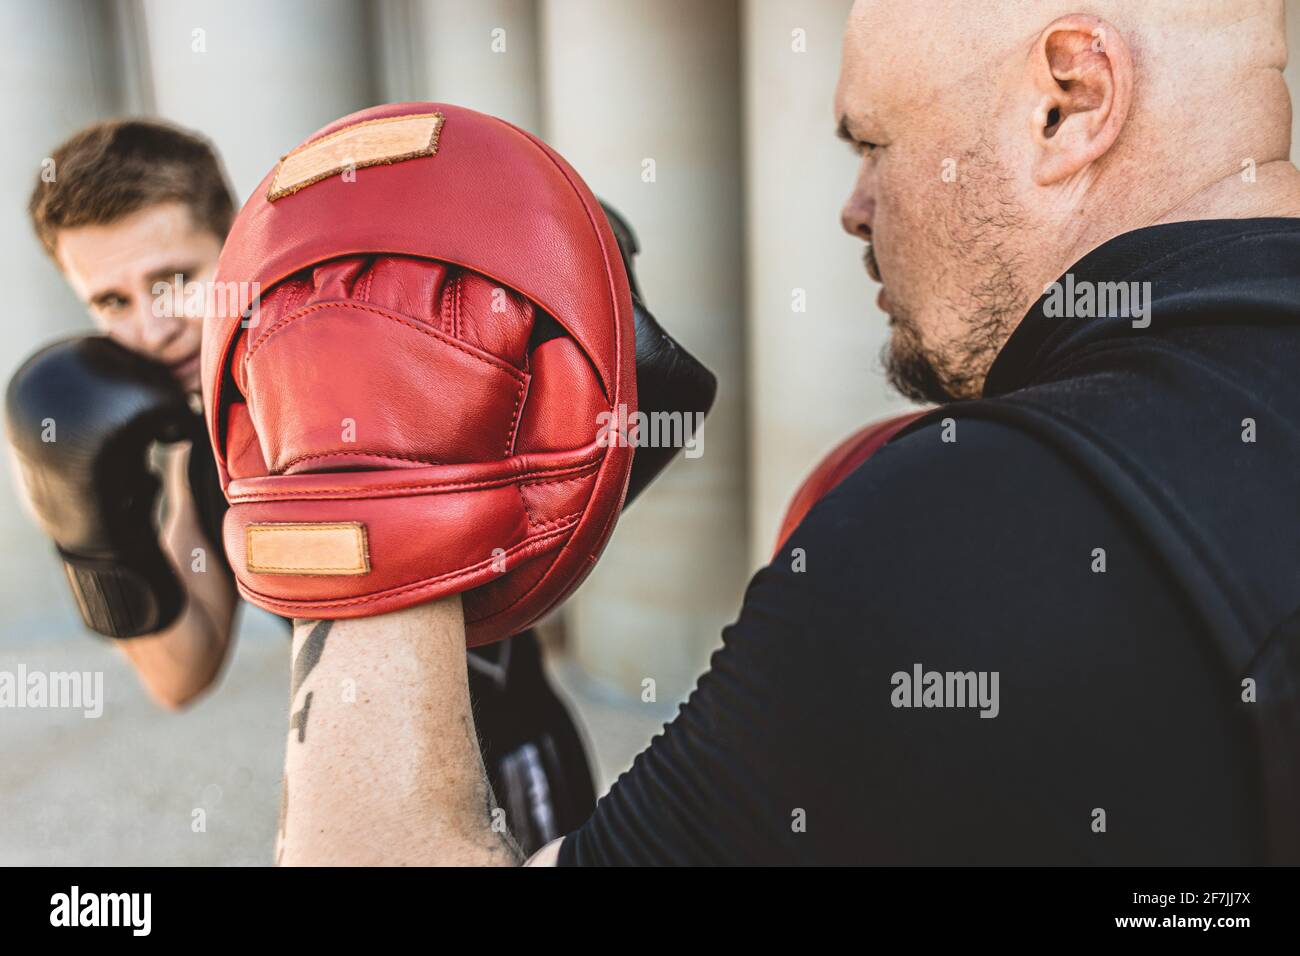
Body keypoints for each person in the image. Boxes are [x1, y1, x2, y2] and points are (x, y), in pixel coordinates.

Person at [256, 0, 1300, 866]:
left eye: (873, 145)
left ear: (1066, 102)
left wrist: (361, 481)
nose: (854, 207)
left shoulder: (956, 534)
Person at [8, 118, 608, 856]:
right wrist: (88, 533)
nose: (153, 329)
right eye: (112, 302)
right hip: (355, 783)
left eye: (173, 282)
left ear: (235, 247)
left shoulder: (368, 370)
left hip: (511, 761)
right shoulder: (202, 449)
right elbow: (180, 674)